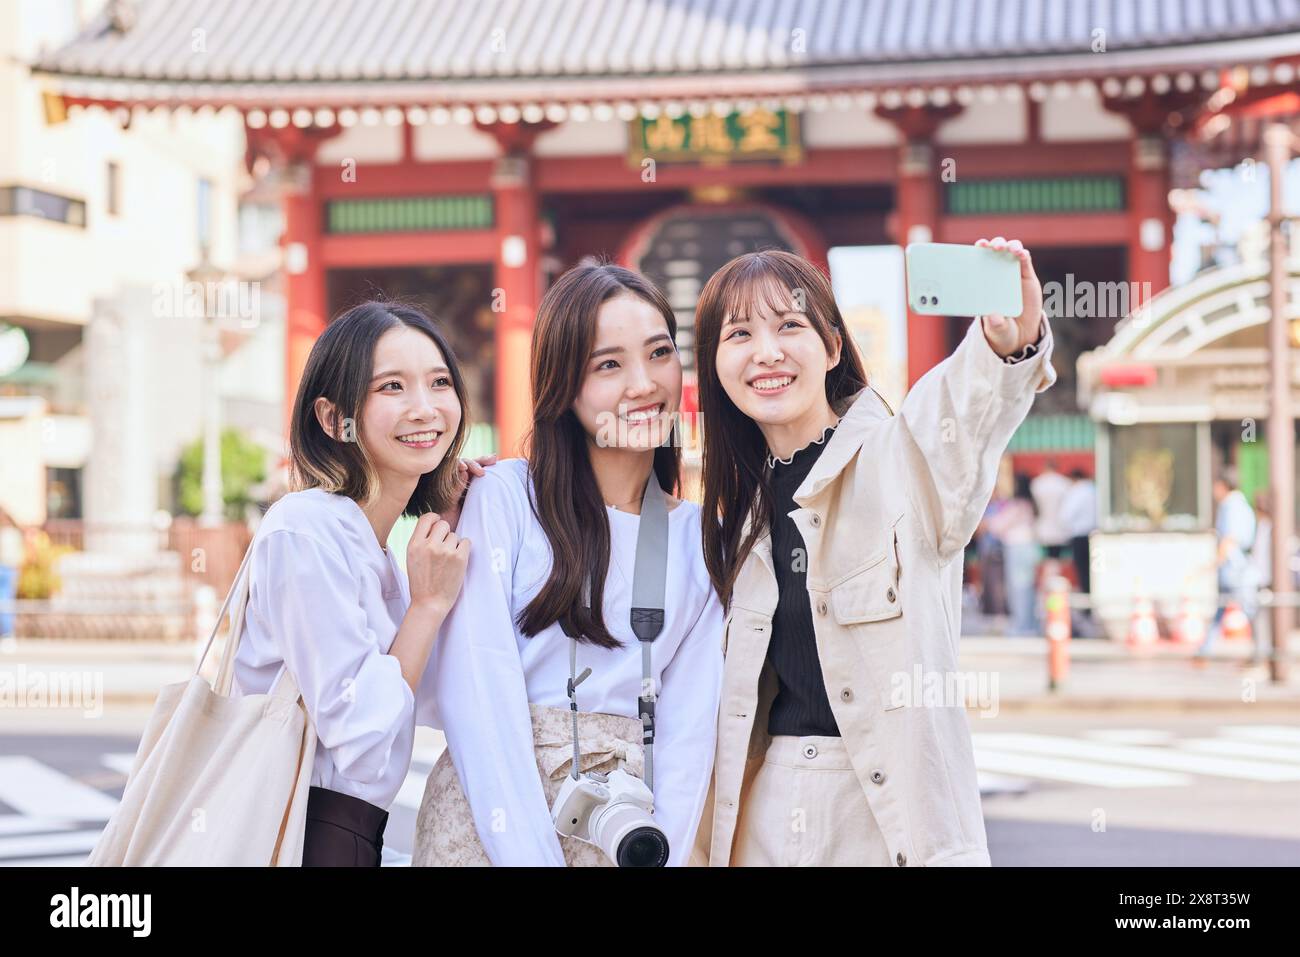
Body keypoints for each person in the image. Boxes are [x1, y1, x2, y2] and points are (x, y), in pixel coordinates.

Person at [692, 238, 1054, 867]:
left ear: (832, 347)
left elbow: (958, 419)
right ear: (716, 366)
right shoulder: (733, 516)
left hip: (882, 818)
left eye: (789, 326)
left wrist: (1004, 347)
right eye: (739, 334)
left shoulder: (897, 462)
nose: (767, 352)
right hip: (764, 812)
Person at [412, 261, 723, 867]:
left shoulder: (699, 539)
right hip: (489, 824)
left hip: (626, 829)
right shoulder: (504, 496)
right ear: (563, 384)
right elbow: (480, 690)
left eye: (659, 353)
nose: (643, 383)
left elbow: (689, 738)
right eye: (608, 364)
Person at [232, 301, 475, 866]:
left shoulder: (377, 548)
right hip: (302, 833)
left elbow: (434, 695)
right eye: (392, 387)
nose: (425, 408)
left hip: (347, 834)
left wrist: (465, 525)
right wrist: (427, 605)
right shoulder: (304, 530)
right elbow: (365, 735)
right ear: (332, 416)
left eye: (439, 382)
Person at [1194, 469, 1257, 662]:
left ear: (1224, 486)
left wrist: (1211, 565)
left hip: (1236, 570)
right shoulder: (1239, 505)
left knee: (1249, 611)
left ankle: (1264, 652)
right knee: (1231, 610)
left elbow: (1230, 540)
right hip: (1236, 569)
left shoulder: (1232, 506)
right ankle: (1204, 652)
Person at [986, 474, 1041, 637]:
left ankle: (1021, 626)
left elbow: (997, 525)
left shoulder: (1016, 506)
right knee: (1028, 589)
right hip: (1030, 547)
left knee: (1018, 589)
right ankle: (1030, 625)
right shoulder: (1030, 505)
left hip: (1017, 549)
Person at [1059, 467, 1098, 628]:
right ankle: (1093, 609)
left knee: (1083, 575)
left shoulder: (1077, 492)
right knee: (1094, 574)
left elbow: (1065, 516)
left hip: (1080, 535)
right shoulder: (1095, 490)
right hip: (1096, 535)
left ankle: (1087, 610)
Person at [1030, 459, 1071, 559]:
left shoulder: (1036, 483)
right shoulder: (1065, 483)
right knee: (1055, 556)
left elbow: (1034, 507)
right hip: (1061, 525)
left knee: (1047, 557)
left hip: (1042, 525)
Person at [0, 507, 25, 639]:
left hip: (6, 568)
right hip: (9, 569)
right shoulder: (14, 533)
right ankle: (7, 633)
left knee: (5, 602)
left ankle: (7, 633)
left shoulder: (6, 534)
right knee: (6, 601)